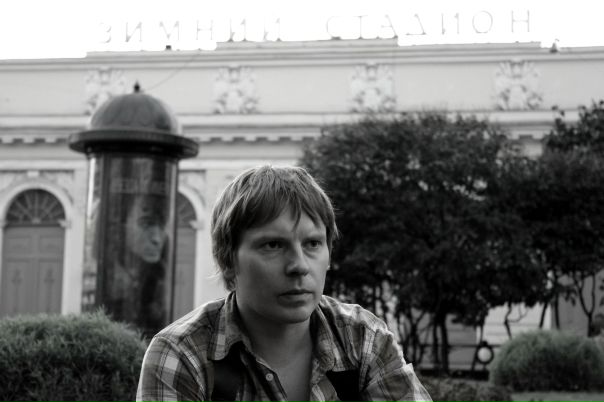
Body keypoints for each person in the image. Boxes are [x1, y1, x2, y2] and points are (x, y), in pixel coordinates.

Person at [137, 165, 432, 402]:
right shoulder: (182, 353)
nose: (299, 266)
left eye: (313, 243)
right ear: (228, 260)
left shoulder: (363, 339)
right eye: (273, 245)